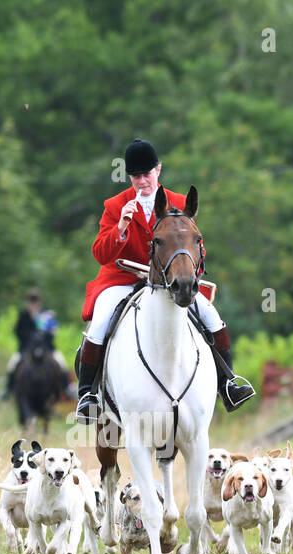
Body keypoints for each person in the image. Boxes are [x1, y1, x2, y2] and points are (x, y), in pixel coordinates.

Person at [74, 138, 254, 425]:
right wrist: (120, 226)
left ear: (158, 170)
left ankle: (228, 384)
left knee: (212, 316)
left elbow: (196, 247)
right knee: (100, 321)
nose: (142, 181)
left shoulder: (181, 203)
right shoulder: (114, 206)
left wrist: (188, 273)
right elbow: (100, 253)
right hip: (123, 278)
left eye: (147, 174)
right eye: (136, 176)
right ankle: (88, 395)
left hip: (169, 282)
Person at [0, 289, 44, 400]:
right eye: (31, 301)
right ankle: (7, 390)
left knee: (60, 361)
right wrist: (29, 338)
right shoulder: (23, 316)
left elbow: (51, 332)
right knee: (12, 364)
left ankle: (67, 387)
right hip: (26, 348)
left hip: (45, 348)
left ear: (39, 302)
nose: (33, 304)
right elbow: (17, 332)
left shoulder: (44, 315)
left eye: (35, 301)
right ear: (28, 303)